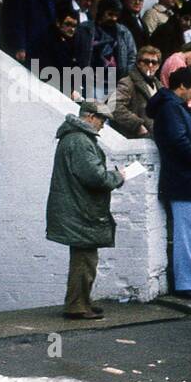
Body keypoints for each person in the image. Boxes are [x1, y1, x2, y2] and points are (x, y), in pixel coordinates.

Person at [46, 102, 125, 320]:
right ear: (90, 117)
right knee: (84, 260)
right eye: (102, 119)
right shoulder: (80, 140)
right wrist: (119, 177)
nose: (103, 125)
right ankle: (77, 306)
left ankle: (81, 302)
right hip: (80, 211)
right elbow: (95, 177)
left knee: (85, 259)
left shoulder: (74, 137)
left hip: (76, 208)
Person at [150, 67, 191, 300]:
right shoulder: (171, 108)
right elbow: (178, 140)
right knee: (186, 234)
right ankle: (186, 284)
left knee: (188, 231)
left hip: (184, 180)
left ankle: (188, 281)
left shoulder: (171, 108)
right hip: (183, 181)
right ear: (182, 87)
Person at [110, 44, 161, 138]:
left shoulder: (160, 87)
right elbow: (114, 106)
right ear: (138, 63)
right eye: (146, 62)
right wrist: (137, 125)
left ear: (158, 66)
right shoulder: (128, 82)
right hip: (138, 138)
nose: (150, 65)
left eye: (154, 62)